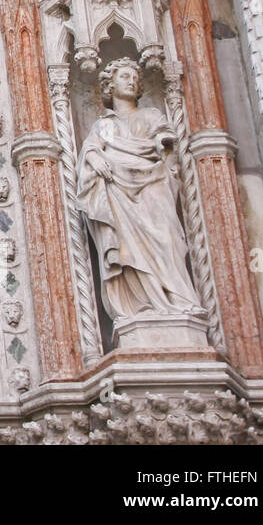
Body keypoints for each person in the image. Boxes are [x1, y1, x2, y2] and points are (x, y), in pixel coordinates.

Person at [76, 58, 202, 327]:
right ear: (110, 85)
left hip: (153, 188)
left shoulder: (151, 115)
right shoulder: (103, 126)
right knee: (126, 251)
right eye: (124, 76)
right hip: (118, 193)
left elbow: (165, 142)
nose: (131, 80)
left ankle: (179, 301)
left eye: (134, 77)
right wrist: (94, 157)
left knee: (168, 238)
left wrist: (163, 148)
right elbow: (90, 150)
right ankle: (140, 306)